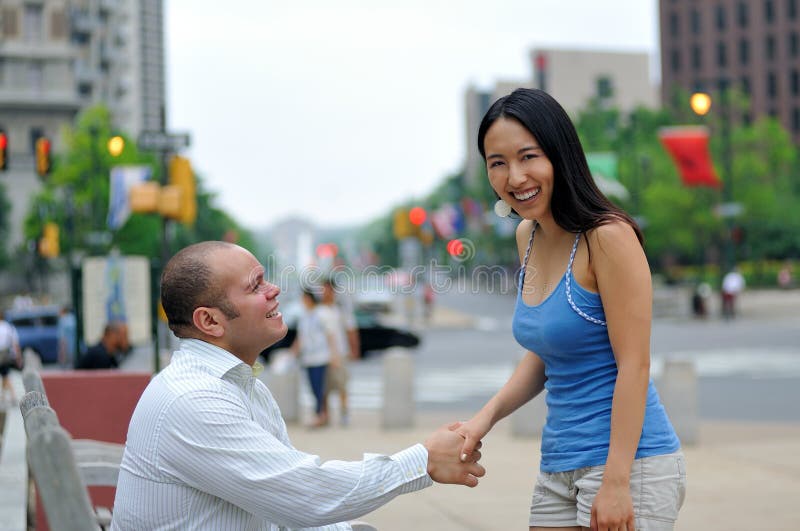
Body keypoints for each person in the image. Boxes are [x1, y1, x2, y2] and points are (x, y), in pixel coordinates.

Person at [112, 241, 485, 530]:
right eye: (255, 285)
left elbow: (290, 506)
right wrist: (423, 460)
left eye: (265, 278)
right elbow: (305, 493)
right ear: (209, 321)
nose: (274, 290)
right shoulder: (192, 399)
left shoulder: (244, 386)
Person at [456, 88, 685, 531]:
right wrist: (484, 418)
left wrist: (617, 481)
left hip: (630, 465)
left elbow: (634, 365)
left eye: (528, 156)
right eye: (497, 162)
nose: (515, 176)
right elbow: (547, 353)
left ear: (559, 154)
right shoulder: (528, 236)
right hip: (559, 465)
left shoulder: (608, 238)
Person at [320, 278, 358, 426]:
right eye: (323, 289)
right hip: (322, 355)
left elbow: (351, 330)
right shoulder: (318, 309)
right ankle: (326, 415)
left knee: (342, 385)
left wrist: (354, 350)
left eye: (327, 289)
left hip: (340, 353)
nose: (325, 293)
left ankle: (344, 413)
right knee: (325, 387)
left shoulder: (340, 310)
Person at [291, 289, 331, 428]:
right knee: (313, 387)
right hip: (308, 358)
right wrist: (293, 352)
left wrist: (334, 355)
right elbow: (300, 337)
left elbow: (329, 335)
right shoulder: (304, 316)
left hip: (321, 357)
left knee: (319, 386)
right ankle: (321, 414)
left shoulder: (320, 314)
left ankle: (320, 415)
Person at [0, 309, 22, 406]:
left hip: (2, 354)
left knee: (4, 375)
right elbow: (15, 343)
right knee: (5, 374)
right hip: (6, 354)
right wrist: (18, 356)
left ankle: (12, 396)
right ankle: (4, 396)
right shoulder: (9, 327)